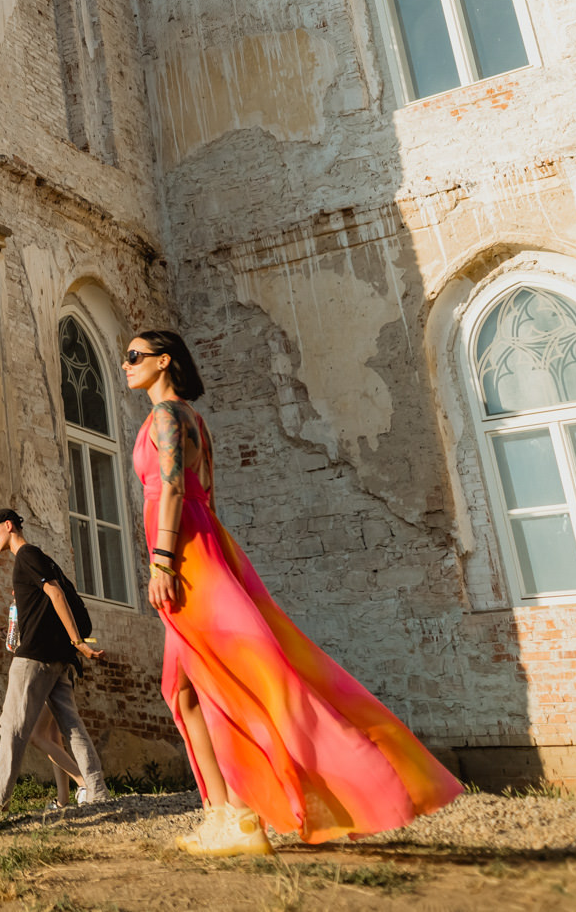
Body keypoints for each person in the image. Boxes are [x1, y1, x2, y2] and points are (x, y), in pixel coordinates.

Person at [125, 329, 463, 855]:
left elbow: (172, 487)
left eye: (134, 356)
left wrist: (163, 560)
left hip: (187, 555)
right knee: (182, 690)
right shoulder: (194, 419)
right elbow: (204, 494)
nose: (126, 365)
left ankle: (252, 812)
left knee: (236, 682)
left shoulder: (168, 416)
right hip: (205, 546)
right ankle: (225, 816)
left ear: (163, 361)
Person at [0, 509, 109, 814]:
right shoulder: (37, 559)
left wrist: (78, 641)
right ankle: (96, 790)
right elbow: (43, 608)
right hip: (55, 658)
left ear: (9, 525)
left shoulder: (26, 555)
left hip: (36, 658)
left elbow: (56, 595)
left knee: (12, 724)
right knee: (71, 725)